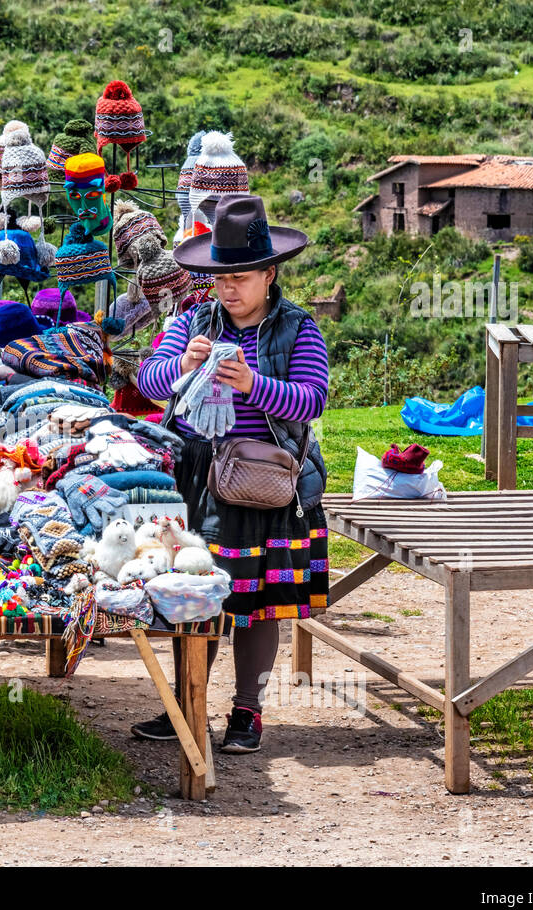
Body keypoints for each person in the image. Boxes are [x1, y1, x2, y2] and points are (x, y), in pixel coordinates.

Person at [133, 193, 330, 753]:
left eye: (240, 277)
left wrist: (252, 386)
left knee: (257, 603)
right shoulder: (193, 320)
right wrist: (184, 366)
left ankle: (248, 711)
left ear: (270, 274)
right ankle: (184, 705)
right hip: (197, 476)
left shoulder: (298, 330)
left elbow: (310, 401)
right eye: (221, 278)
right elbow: (151, 382)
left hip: (261, 481)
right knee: (190, 593)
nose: (228, 289)